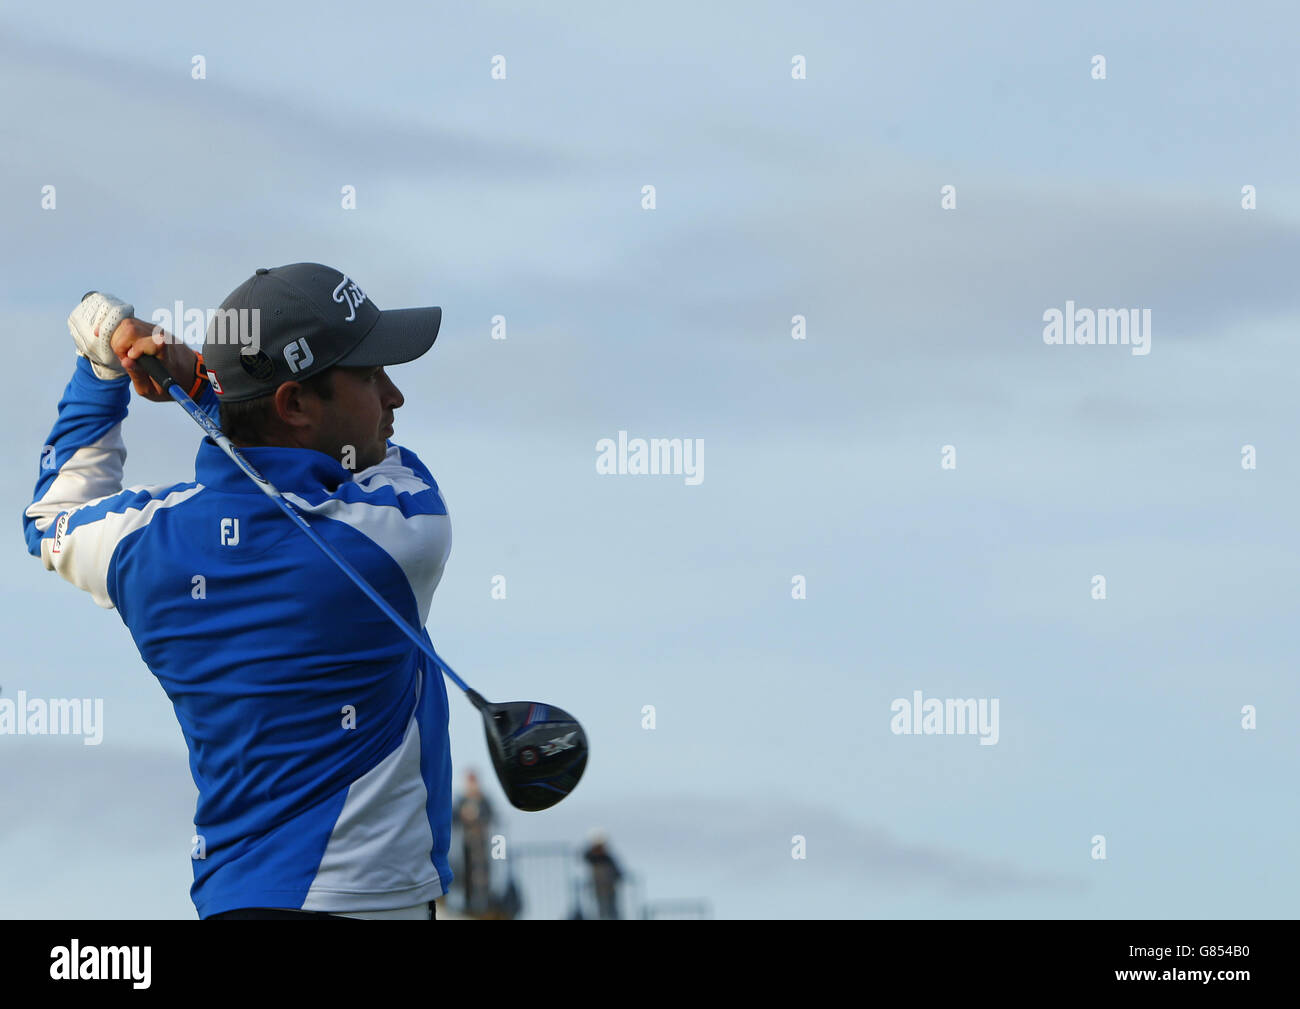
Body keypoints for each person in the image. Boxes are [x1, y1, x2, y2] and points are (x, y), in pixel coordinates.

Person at [22, 264, 453, 920]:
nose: (393, 396)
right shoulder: (399, 535)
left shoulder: (146, 541)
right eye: (368, 375)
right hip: (368, 905)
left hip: (233, 902)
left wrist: (102, 363)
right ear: (296, 405)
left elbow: (51, 516)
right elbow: (377, 461)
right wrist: (202, 383)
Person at [452, 769, 496, 914]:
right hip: (465, 846)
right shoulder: (461, 800)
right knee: (465, 875)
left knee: (483, 875)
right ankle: (468, 905)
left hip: (482, 845)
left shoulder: (484, 799)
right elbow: (454, 819)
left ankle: (485, 905)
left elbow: (491, 817)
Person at [582, 830, 623, 920]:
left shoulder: (608, 859)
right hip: (599, 889)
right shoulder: (594, 859)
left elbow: (618, 872)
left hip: (609, 888)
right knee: (601, 910)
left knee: (611, 910)